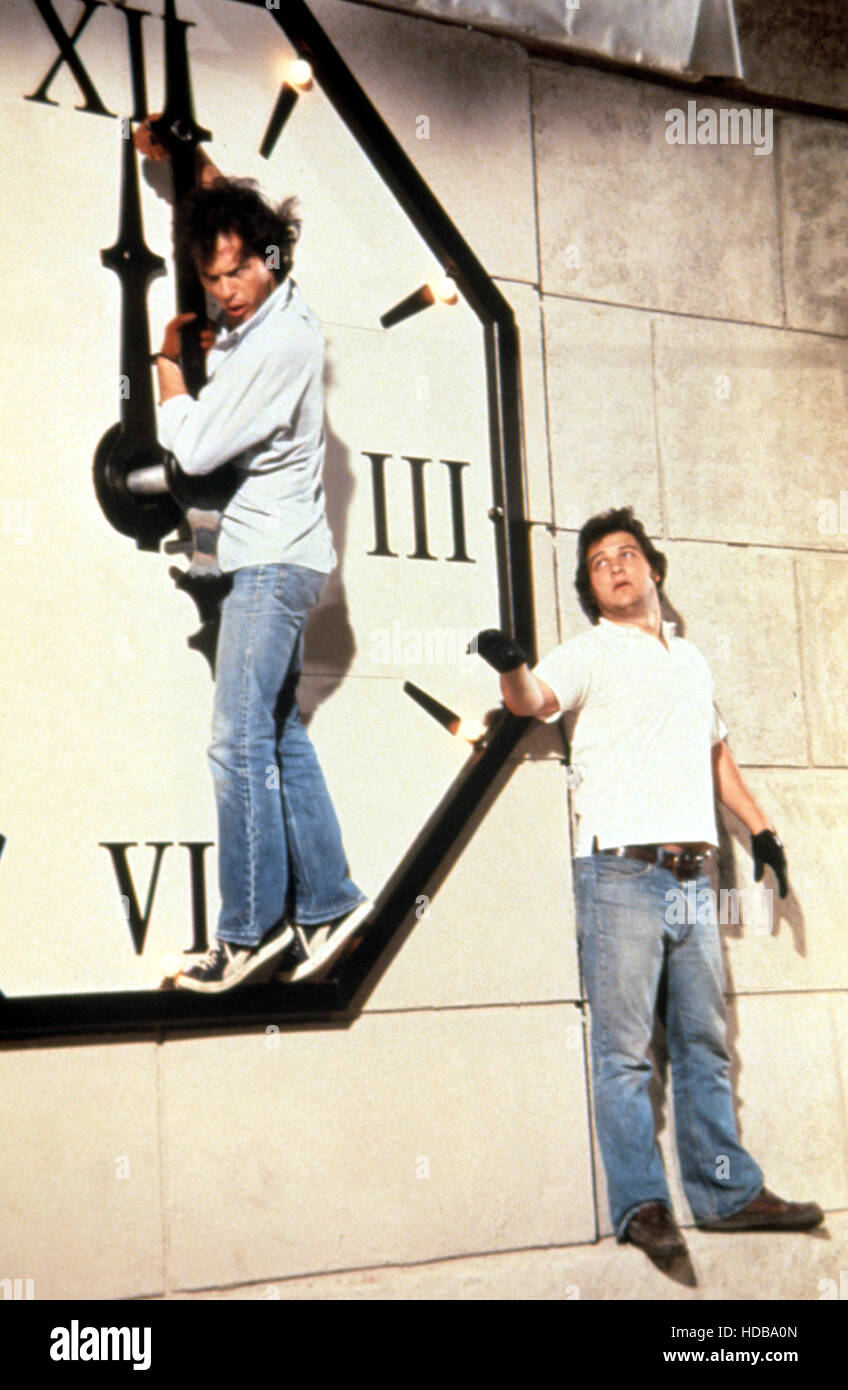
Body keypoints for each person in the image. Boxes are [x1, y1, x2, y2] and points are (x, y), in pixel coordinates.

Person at [473, 506, 823, 1258]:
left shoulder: (691, 661)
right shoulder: (587, 652)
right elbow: (533, 702)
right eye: (600, 565)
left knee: (704, 1042)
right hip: (619, 873)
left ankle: (728, 1193)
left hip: (696, 874)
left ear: (654, 569)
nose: (617, 568)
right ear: (592, 590)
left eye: (627, 554)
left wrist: (761, 831)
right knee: (625, 1050)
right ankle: (642, 1207)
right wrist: (510, 664)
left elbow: (715, 754)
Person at [136, 122, 371, 991]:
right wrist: (186, 163)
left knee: (235, 743)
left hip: (270, 564)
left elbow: (194, 452)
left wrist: (167, 363)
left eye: (241, 271)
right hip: (282, 558)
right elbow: (232, 212)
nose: (230, 289)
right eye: (213, 276)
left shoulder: (276, 344)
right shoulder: (278, 307)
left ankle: (248, 930)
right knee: (276, 733)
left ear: (271, 260)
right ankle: (331, 903)